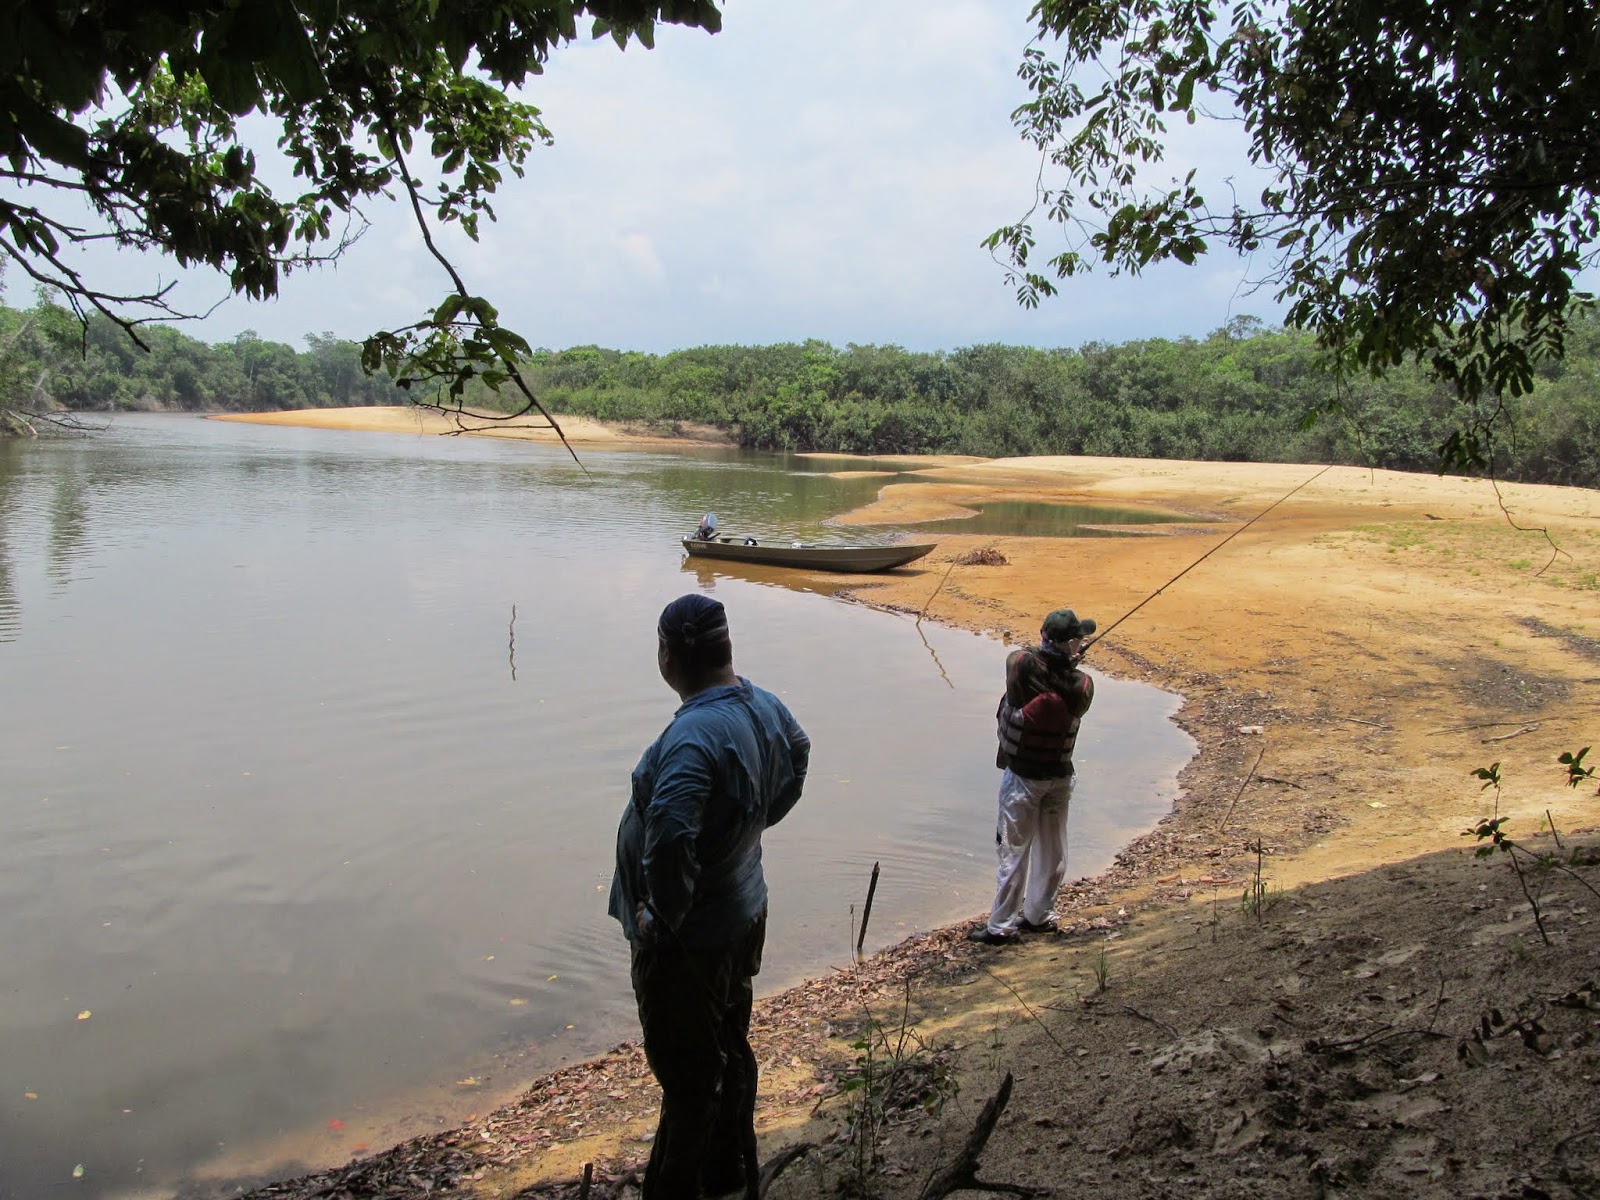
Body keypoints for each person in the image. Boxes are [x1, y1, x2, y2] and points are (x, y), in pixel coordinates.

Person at [609, 594, 810, 1199]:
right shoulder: (764, 704)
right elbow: (799, 755)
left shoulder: (694, 737)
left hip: (690, 938)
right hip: (741, 909)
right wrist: (750, 827)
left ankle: (678, 1187)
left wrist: (659, 915)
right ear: (725, 648)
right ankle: (728, 1173)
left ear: (668, 655)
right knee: (726, 1045)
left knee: (689, 1080)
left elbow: (671, 835)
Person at [970, 608, 1096, 945]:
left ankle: (1001, 926)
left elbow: (1028, 665)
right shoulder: (1082, 685)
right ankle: (1040, 916)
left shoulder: (1020, 665)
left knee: (1013, 852)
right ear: (1072, 644)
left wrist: (1060, 660)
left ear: (1044, 636)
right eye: (1078, 640)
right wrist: (1068, 664)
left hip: (1023, 777)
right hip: (1059, 776)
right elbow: (1067, 690)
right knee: (1053, 851)